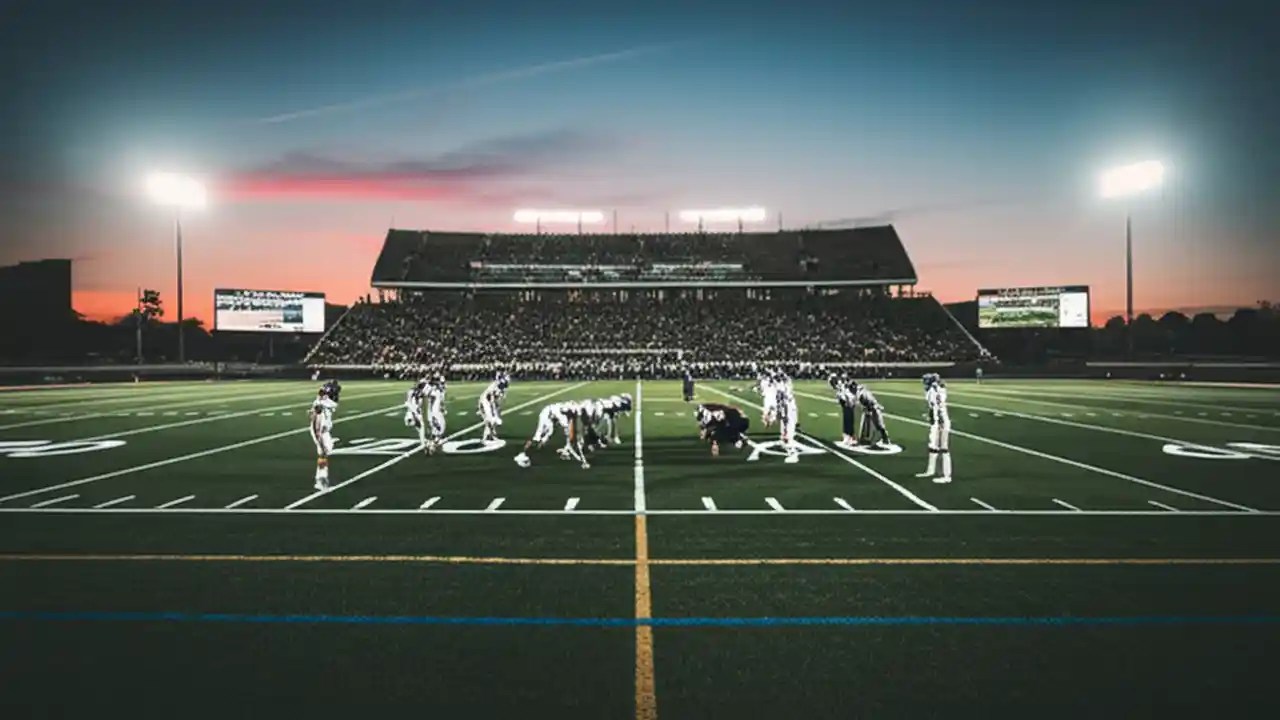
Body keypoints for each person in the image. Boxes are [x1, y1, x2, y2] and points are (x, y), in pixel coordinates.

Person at [514, 401, 589, 469]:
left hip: (551, 417)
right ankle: (522, 454)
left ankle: (533, 452)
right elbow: (569, 429)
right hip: (546, 415)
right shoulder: (563, 416)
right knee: (538, 437)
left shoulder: (569, 410)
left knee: (546, 437)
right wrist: (572, 438)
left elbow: (572, 424)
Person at [916, 373, 952, 483]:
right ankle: (930, 470)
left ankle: (947, 476)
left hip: (941, 422)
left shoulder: (933, 391)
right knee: (933, 447)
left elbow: (936, 408)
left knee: (944, 448)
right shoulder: (938, 389)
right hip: (938, 421)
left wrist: (938, 423)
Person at [309, 380, 341, 491]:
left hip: (323, 431)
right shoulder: (322, 404)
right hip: (320, 431)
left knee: (325, 453)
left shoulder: (323, 401)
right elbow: (316, 420)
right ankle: (321, 480)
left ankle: (321, 478)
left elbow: (320, 396)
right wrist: (319, 436)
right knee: (323, 453)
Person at [849, 380, 893, 448]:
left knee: (878, 425)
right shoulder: (861, 390)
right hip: (871, 407)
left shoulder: (860, 393)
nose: (851, 390)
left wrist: (869, 410)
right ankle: (864, 438)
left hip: (873, 408)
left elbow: (868, 402)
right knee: (868, 424)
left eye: (851, 388)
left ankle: (885, 439)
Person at [478, 371, 510, 442]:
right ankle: (487, 436)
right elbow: (490, 401)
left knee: (492, 420)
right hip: (485, 401)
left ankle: (490, 435)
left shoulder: (503, 389)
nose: (507, 383)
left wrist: (497, 414)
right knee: (490, 419)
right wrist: (495, 415)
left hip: (491, 402)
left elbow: (497, 402)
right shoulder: (493, 386)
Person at [829, 373, 858, 446]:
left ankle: (849, 436)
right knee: (848, 419)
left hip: (849, 402)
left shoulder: (845, 385)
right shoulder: (841, 385)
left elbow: (849, 394)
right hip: (847, 402)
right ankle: (849, 436)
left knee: (848, 419)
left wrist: (848, 401)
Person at [403, 377, 429, 448]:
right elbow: (409, 402)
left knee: (419, 426)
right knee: (421, 426)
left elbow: (408, 402)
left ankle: (423, 440)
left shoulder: (413, 391)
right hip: (413, 412)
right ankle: (423, 442)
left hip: (412, 412)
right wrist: (415, 412)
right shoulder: (418, 392)